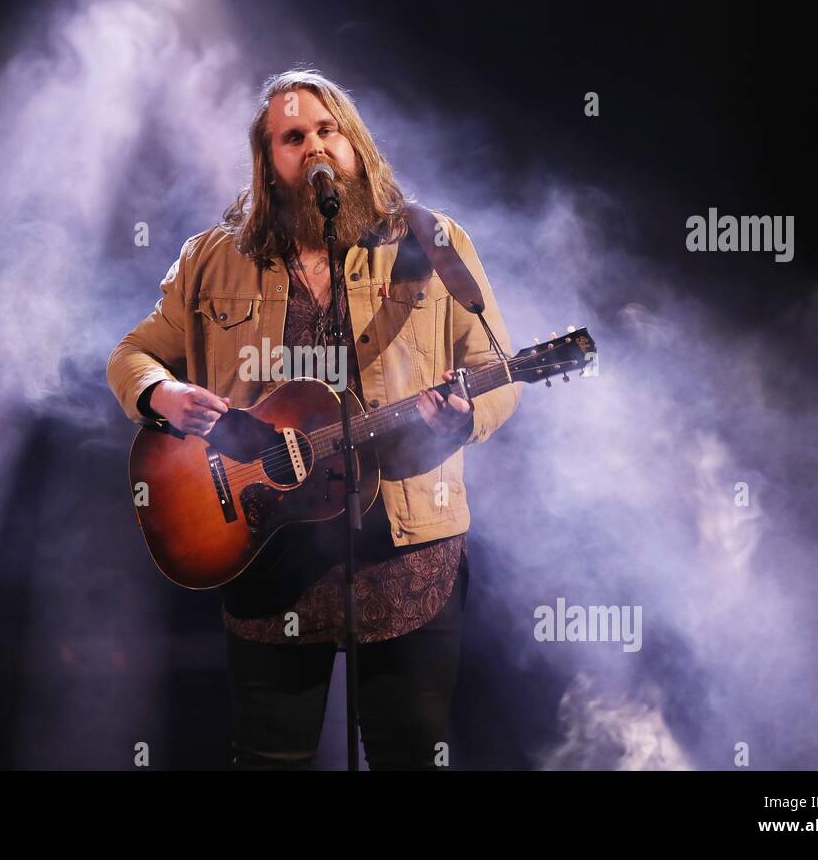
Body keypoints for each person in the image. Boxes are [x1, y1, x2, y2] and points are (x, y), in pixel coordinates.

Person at [107, 68, 523, 769]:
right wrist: (163, 395)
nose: (315, 147)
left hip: (406, 558)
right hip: (266, 550)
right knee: (270, 761)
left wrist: (460, 417)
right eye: (293, 137)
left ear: (355, 144)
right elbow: (134, 354)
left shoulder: (432, 241)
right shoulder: (214, 259)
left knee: (411, 756)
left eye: (329, 130)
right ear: (268, 163)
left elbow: (497, 371)